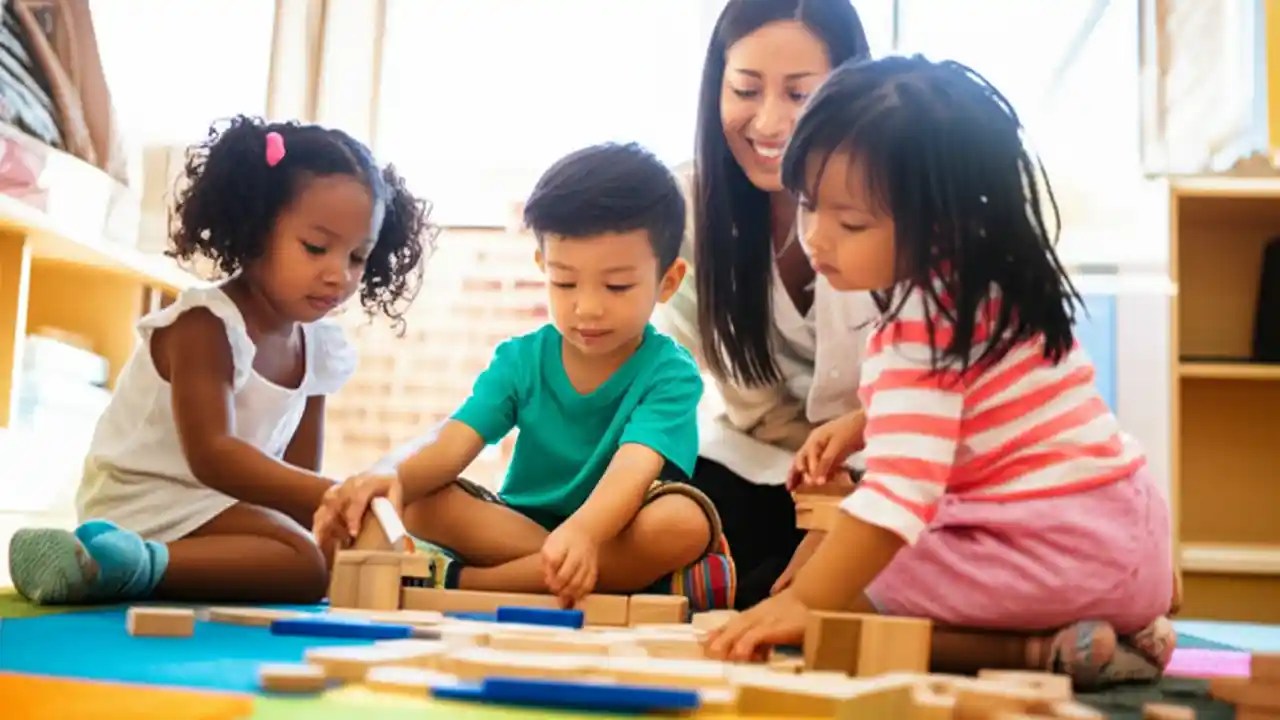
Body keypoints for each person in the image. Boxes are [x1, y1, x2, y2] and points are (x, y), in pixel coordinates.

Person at [704, 55, 1177, 689]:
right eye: (810, 206)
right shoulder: (994, 279)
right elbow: (978, 402)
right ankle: (1118, 621)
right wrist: (863, 422)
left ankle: (1040, 653)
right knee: (853, 562)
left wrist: (802, 603)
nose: (816, 238)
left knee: (845, 603)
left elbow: (897, 500)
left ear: (943, 223)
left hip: (1054, 556)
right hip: (1130, 538)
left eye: (851, 223)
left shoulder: (920, 330)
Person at [8, 115, 433, 605]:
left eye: (357, 257)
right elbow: (213, 455)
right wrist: (336, 494)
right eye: (316, 248)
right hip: (143, 502)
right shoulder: (205, 324)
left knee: (314, 563)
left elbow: (296, 484)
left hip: (224, 510)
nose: (338, 275)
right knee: (304, 565)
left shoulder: (320, 349)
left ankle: (120, 569)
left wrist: (335, 528)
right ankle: (117, 562)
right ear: (252, 231)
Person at [314, 143, 734, 611]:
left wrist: (584, 533)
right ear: (543, 268)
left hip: (616, 527)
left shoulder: (670, 372)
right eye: (565, 282)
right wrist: (389, 475)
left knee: (683, 522)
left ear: (669, 282)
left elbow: (633, 468)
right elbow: (454, 441)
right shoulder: (521, 360)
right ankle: (607, 579)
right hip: (514, 525)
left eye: (617, 286)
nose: (588, 307)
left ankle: (470, 586)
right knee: (418, 500)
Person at [656, 0, 880, 609]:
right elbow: (649, 372)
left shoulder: (905, 208)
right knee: (671, 529)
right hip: (754, 470)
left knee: (842, 584)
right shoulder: (683, 206)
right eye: (746, 90)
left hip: (891, 471)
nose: (769, 122)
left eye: (801, 95)